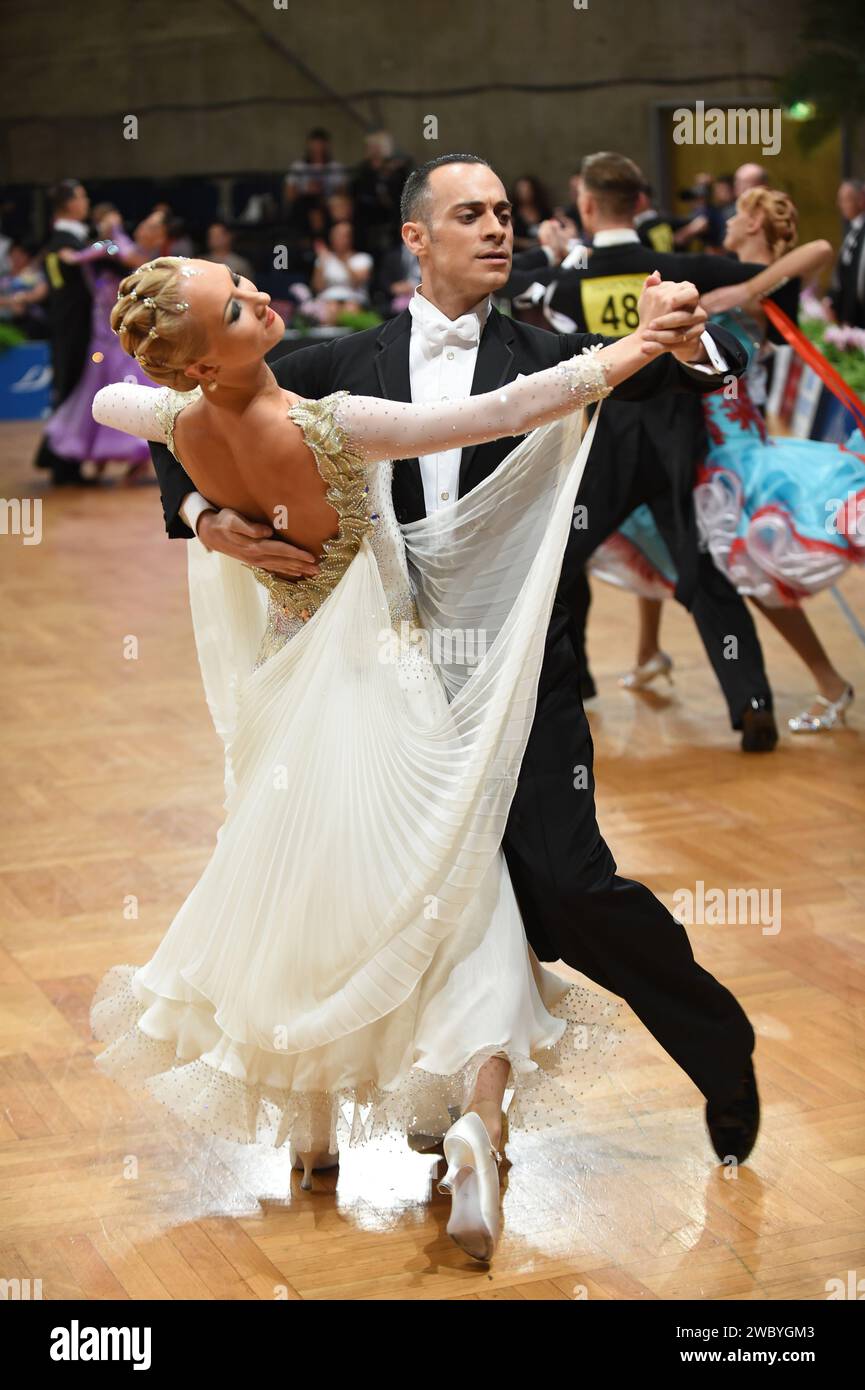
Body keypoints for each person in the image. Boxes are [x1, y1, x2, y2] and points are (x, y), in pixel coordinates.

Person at [143, 156, 760, 1189]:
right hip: (385, 696)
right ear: (415, 239)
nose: (496, 228)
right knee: (403, 904)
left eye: (506, 214)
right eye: (468, 214)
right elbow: (184, 419)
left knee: (563, 890)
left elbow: (695, 363)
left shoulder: (551, 354)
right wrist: (212, 524)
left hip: (521, 683)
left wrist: (684, 322)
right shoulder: (341, 361)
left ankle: (717, 1044)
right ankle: (446, 1103)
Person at [529, 151, 784, 750]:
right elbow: (762, 275)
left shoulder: (569, 282)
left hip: (607, 443)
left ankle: (576, 684)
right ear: (642, 204)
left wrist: (558, 252)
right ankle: (752, 702)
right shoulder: (678, 268)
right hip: (675, 440)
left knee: (562, 563)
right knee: (698, 572)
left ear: (587, 205)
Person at [602, 191, 861, 734]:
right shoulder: (718, 279)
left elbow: (816, 247)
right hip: (701, 443)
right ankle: (648, 653)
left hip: (738, 453)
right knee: (661, 536)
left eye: (739, 214)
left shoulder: (757, 281)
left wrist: (746, 288)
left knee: (747, 574)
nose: (728, 223)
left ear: (753, 225)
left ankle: (830, 681)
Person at [41, 205, 152, 479]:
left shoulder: (118, 248)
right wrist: (79, 254)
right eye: (103, 220)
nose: (108, 223)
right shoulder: (99, 250)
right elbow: (84, 257)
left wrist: (88, 252)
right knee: (95, 397)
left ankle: (137, 456)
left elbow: (127, 257)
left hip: (120, 337)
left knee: (128, 390)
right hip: (100, 338)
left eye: (112, 218)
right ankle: (99, 458)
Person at [32, 179, 94, 484]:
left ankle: (57, 457)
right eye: (81, 197)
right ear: (68, 204)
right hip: (73, 329)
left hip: (72, 328)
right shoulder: (64, 244)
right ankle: (61, 462)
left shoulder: (65, 241)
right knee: (70, 390)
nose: (86, 201)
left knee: (73, 390)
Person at [825, 178, 865, 329]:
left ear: (861, 200)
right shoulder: (852, 232)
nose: (840, 205)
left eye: (845, 200)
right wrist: (832, 300)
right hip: (849, 319)